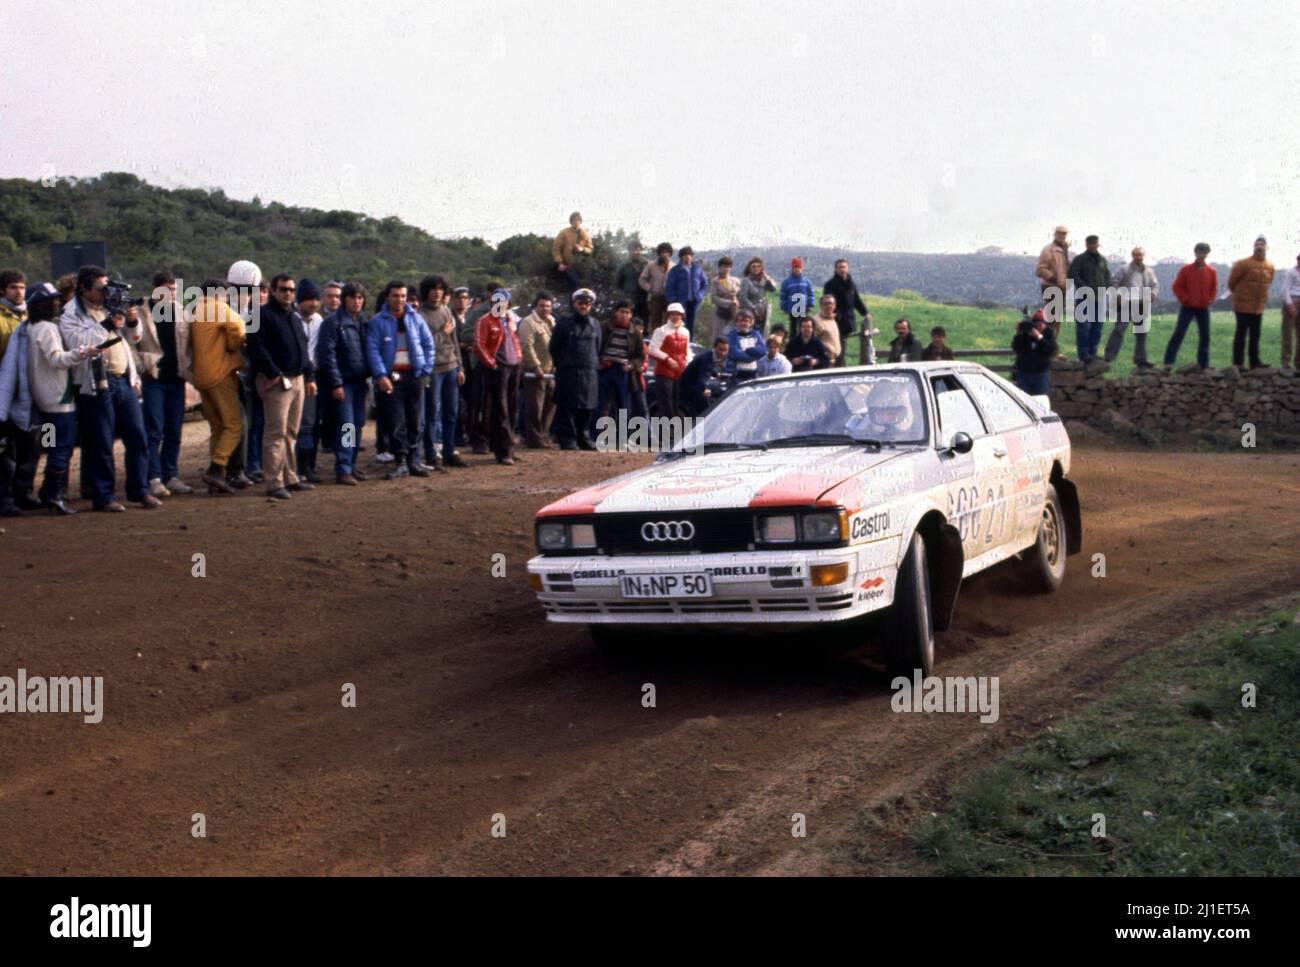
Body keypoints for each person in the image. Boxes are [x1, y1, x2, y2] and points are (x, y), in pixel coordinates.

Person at [59, 265, 157, 511]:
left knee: (137, 435)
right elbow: (77, 344)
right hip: (95, 383)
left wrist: (132, 321)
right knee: (101, 442)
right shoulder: (70, 312)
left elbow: (133, 338)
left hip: (123, 379)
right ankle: (104, 496)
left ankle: (139, 490)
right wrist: (105, 326)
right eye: (100, 287)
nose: (105, 291)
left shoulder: (110, 306)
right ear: (84, 288)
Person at [1, 283, 91, 514]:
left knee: (50, 445)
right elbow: (57, 360)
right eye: (51, 300)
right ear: (41, 304)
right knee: (62, 446)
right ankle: (53, 493)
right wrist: (84, 353)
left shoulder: (28, 327)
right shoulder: (47, 329)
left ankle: (46, 492)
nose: (56, 303)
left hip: (42, 399)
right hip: (59, 399)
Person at [246, 273, 319, 499]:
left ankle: (290, 477)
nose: (288, 293)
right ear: (274, 291)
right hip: (276, 382)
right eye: (283, 289)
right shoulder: (261, 315)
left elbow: (303, 349)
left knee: (291, 432)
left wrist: (309, 377)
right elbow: (256, 348)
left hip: (297, 380)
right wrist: (274, 374)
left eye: (291, 290)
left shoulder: (294, 317)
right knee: (275, 433)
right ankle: (274, 482)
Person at [366, 280, 435, 480]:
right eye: (395, 295)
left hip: (414, 375)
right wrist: (380, 375)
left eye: (403, 296)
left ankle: (414, 460)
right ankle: (399, 461)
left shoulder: (416, 319)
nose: (400, 300)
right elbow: (372, 351)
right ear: (387, 297)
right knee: (395, 421)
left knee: (414, 420)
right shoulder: (377, 321)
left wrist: (425, 369)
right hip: (389, 378)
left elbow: (428, 345)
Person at [133, 270, 193, 498]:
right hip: (153, 380)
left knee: (174, 430)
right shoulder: (140, 312)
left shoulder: (180, 312)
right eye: (168, 289)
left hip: (176, 379)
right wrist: (142, 369)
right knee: (154, 430)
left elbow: (187, 344)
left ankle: (171, 474)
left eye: (175, 289)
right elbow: (130, 343)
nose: (172, 293)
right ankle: (154, 477)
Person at [188, 274, 248, 494]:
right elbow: (239, 329)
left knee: (217, 427)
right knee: (233, 425)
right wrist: (233, 347)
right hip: (220, 375)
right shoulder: (219, 308)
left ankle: (217, 478)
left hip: (201, 377)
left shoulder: (195, 310)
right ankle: (217, 468)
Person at [316, 281, 370, 485]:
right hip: (343, 384)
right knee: (346, 426)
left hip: (360, 382)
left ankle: (353, 464)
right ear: (344, 299)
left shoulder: (364, 322)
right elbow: (326, 355)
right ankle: (344, 467)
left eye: (359, 297)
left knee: (358, 425)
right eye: (352, 297)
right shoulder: (333, 322)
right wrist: (336, 384)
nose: (356, 301)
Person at [549, 288, 602, 450]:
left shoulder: (596, 324)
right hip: (568, 372)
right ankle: (567, 439)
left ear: (591, 305)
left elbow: (597, 347)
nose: (583, 306)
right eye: (580, 303)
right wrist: (564, 364)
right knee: (567, 407)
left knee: (587, 407)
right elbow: (553, 348)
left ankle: (583, 438)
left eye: (587, 303)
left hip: (589, 372)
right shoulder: (564, 324)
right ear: (574, 304)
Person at [475, 288, 522, 466]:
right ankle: (503, 452)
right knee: (500, 410)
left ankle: (508, 446)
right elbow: (479, 345)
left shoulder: (509, 319)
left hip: (513, 366)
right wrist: (492, 364)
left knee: (512, 408)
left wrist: (519, 358)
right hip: (498, 368)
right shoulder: (484, 320)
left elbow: (515, 340)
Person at [1163, 243, 1218, 371]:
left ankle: (1204, 364)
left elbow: (1214, 288)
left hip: (1203, 307)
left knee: (1205, 335)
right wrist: (1185, 299)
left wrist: (1210, 299)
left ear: (1207, 254)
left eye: (1204, 252)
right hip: (1187, 307)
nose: (1201, 255)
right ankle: (1168, 362)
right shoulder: (1186, 270)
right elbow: (1177, 286)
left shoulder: (1211, 271)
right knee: (1180, 332)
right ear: (1195, 253)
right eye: (1199, 252)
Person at [592, 299, 644, 434]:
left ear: (631, 315)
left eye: (627, 312)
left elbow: (640, 356)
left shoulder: (635, 333)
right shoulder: (604, 327)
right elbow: (594, 347)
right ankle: (595, 436)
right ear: (616, 312)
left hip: (623, 371)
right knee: (600, 404)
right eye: (622, 312)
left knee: (624, 406)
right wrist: (599, 362)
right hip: (605, 369)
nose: (624, 315)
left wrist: (631, 365)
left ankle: (622, 438)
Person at [291, 279, 325, 483]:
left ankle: (310, 466)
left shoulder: (320, 321)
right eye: (309, 299)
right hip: (298, 376)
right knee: (300, 425)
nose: (313, 303)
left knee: (314, 425)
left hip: (319, 378)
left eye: (315, 299)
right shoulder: (292, 319)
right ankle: (299, 468)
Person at [1104, 247, 1159, 369]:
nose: (1138, 257)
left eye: (1140, 255)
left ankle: (1141, 360)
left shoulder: (1149, 271)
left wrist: (1152, 296)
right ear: (1132, 255)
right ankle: (1108, 357)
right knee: (1119, 330)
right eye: (1136, 255)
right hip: (1126, 304)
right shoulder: (1124, 269)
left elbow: (1155, 286)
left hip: (1141, 304)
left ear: (1143, 256)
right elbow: (1114, 282)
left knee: (1141, 332)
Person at [1227, 236, 1275, 370]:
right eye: (1257, 244)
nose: (1259, 247)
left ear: (1266, 247)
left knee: (1255, 335)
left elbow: (1268, 282)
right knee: (1241, 334)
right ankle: (1238, 363)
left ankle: (1255, 362)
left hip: (1258, 307)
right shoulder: (1243, 263)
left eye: (1262, 245)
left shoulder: (1270, 266)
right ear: (1253, 247)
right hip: (1242, 305)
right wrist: (1239, 295)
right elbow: (1232, 283)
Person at [518, 291, 557, 449]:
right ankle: (533, 439)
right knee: (535, 407)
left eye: (548, 306)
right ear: (535, 306)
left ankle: (543, 436)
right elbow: (526, 346)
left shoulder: (551, 322)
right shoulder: (528, 322)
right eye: (541, 305)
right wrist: (536, 366)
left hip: (551, 372)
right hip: (535, 373)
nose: (545, 309)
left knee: (550, 406)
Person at [1068, 235, 1110, 363]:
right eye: (1090, 244)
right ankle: (1083, 355)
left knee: (1097, 326)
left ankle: (1093, 353)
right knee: (1083, 327)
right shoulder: (1080, 259)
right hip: (1084, 297)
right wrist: (1085, 288)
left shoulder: (1102, 260)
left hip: (1100, 297)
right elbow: (1073, 274)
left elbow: (1107, 275)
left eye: (1095, 243)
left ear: (1098, 244)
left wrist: (1105, 287)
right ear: (1086, 245)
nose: (1093, 246)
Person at [823, 258, 874, 363]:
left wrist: (865, 313)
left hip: (849, 321)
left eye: (844, 267)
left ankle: (841, 365)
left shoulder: (851, 284)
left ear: (848, 268)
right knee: (838, 348)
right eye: (839, 267)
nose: (842, 269)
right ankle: (839, 367)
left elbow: (856, 300)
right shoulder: (830, 285)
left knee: (843, 346)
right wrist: (835, 315)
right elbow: (827, 303)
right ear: (835, 269)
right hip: (836, 321)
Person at [645, 302, 690, 420]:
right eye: (672, 314)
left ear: (682, 315)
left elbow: (687, 350)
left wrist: (688, 362)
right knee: (666, 403)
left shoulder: (685, 332)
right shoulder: (661, 331)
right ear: (668, 315)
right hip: (664, 372)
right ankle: (665, 430)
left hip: (679, 372)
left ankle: (672, 430)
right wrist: (667, 359)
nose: (675, 317)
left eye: (678, 314)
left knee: (676, 402)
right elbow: (652, 349)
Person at [680, 336, 731, 416]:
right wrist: (704, 389)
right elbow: (702, 377)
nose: (723, 353)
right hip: (688, 386)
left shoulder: (712, 356)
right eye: (720, 349)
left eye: (725, 350)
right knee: (708, 409)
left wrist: (717, 374)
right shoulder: (707, 358)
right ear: (715, 348)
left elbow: (707, 370)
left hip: (696, 383)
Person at [664, 246, 708, 337]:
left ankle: (690, 342)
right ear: (681, 257)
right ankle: (678, 340)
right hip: (680, 302)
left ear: (692, 256)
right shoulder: (675, 270)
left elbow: (705, 284)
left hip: (694, 301)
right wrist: (673, 301)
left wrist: (700, 296)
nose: (687, 257)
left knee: (692, 323)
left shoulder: (698, 269)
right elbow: (670, 287)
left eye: (689, 255)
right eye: (685, 255)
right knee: (680, 323)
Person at [1035, 225, 1070, 337]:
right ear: (1055, 234)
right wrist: (1054, 278)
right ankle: (1047, 347)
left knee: (1056, 320)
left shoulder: (1064, 250)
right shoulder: (1049, 249)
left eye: (1064, 234)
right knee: (1051, 320)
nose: (1062, 236)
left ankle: (1051, 347)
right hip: (1051, 287)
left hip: (1062, 288)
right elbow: (1040, 269)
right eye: (1060, 233)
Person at [1012, 310, 1057, 395]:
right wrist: (1019, 333)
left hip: (1041, 373)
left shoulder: (1049, 333)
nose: (1038, 328)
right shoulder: (1025, 333)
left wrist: (1039, 338)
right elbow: (1016, 348)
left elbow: (1051, 350)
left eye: (1040, 325)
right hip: (1024, 372)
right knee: (1022, 400)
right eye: (1036, 325)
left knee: (1041, 401)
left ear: (1045, 324)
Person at [552, 211, 594, 291]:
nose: (576, 222)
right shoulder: (564, 232)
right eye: (574, 220)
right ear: (571, 221)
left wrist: (582, 249)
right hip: (567, 266)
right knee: (573, 287)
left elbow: (590, 249)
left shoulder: (585, 234)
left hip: (582, 267)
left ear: (581, 221)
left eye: (578, 220)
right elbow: (556, 249)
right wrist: (559, 263)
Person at [638, 242, 674, 332]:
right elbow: (642, 279)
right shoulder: (651, 265)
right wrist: (650, 288)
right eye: (662, 252)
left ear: (670, 253)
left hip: (669, 298)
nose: (665, 254)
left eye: (667, 252)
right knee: (655, 322)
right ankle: (654, 341)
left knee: (669, 322)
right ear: (659, 253)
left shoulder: (674, 266)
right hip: (655, 298)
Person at [738, 256, 777, 332]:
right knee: (750, 331)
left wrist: (767, 278)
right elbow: (743, 298)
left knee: (763, 332)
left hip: (763, 310)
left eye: (758, 267)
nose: (756, 269)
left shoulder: (763, 279)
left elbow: (773, 289)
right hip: (749, 310)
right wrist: (753, 308)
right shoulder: (746, 280)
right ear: (750, 268)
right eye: (754, 267)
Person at [727, 308, 766, 382]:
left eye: (746, 321)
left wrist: (749, 350)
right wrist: (753, 357)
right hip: (736, 375)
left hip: (753, 375)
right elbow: (735, 354)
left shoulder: (756, 334)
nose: (743, 323)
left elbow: (763, 350)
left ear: (751, 323)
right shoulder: (732, 336)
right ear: (736, 322)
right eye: (741, 320)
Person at [615, 240, 649, 323]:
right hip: (629, 299)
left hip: (644, 298)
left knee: (644, 321)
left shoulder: (647, 264)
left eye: (638, 250)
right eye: (633, 250)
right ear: (629, 251)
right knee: (629, 321)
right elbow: (618, 283)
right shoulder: (624, 266)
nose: (636, 252)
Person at [780, 258, 816, 331]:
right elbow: (783, 296)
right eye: (795, 267)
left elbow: (811, 294)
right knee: (793, 327)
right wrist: (784, 308)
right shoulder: (786, 282)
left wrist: (810, 304)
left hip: (804, 308)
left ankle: (803, 340)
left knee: (803, 326)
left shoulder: (806, 282)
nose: (797, 269)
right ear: (792, 269)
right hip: (792, 309)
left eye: (799, 267)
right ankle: (793, 340)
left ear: (802, 269)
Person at [710, 256, 742, 335]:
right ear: (720, 267)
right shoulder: (715, 281)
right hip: (721, 312)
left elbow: (741, 295)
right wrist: (729, 302)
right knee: (719, 335)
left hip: (734, 313)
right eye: (724, 266)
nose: (726, 269)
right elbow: (714, 298)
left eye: (728, 267)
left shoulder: (736, 281)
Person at [1282, 252, 1300, 369]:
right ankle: (1286, 361)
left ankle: (1298, 362)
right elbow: (1285, 290)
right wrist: (1290, 305)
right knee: (1287, 334)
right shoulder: (1291, 272)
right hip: (1292, 303)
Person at [814, 294, 844, 364]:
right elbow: (813, 340)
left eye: (831, 303)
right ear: (821, 306)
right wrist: (827, 347)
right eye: (826, 304)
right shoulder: (816, 321)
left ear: (835, 305)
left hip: (836, 359)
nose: (829, 306)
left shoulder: (832, 319)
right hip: (824, 360)